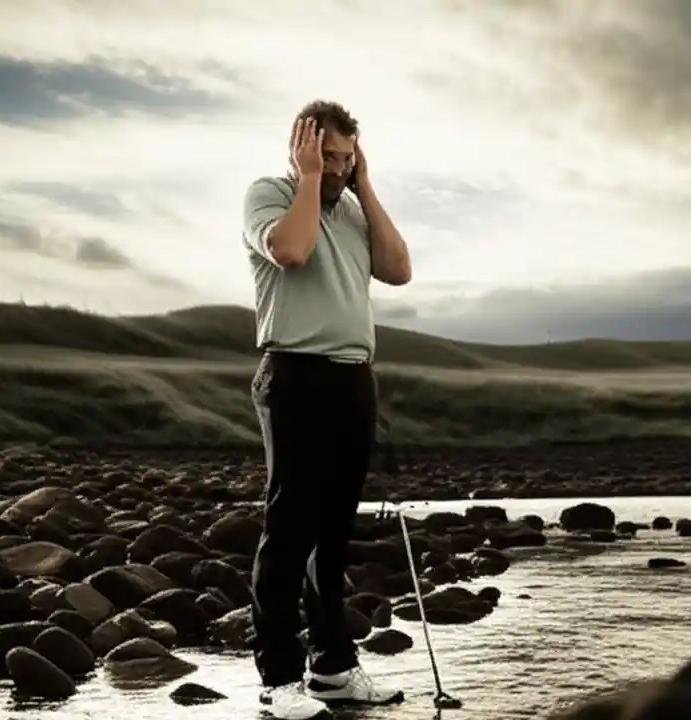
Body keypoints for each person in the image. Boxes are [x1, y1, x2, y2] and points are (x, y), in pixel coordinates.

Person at [240, 99, 412, 719]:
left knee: (333, 536)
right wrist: (309, 179)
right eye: (328, 155)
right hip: (294, 375)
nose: (337, 167)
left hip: (351, 379)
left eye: (346, 157)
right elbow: (290, 251)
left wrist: (364, 185)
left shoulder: (353, 208)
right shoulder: (271, 194)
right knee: (289, 530)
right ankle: (278, 679)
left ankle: (332, 668)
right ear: (302, 146)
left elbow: (399, 269)